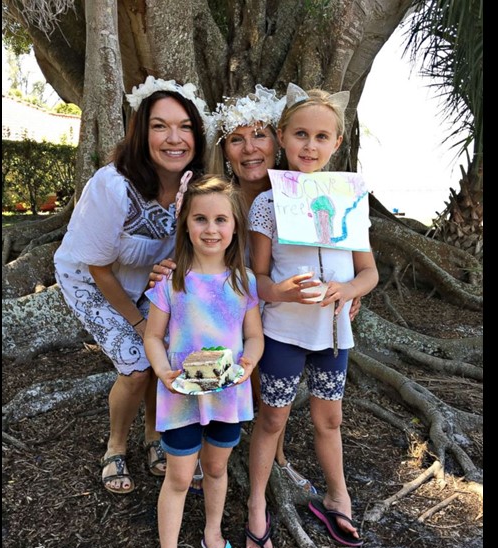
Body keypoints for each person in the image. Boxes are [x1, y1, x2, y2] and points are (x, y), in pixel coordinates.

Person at [151, 85, 360, 495]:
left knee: (271, 389)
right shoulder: (213, 199)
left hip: (282, 313)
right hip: (225, 310)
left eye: (258, 136)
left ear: (276, 140)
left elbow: (338, 250)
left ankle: (272, 458)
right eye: (236, 139)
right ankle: (175, 444)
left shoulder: (304, 196)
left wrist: (352, 288)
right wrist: (166, 271)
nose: (249, 148)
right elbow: (188, 256)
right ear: (224, 149)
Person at [242, 83, 379, 548]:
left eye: (322, 137)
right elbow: (258, 279)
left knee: (330, 419)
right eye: (300, 134)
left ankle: (338, 496)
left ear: (337, 143)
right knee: (272, 419)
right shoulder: (268, 204)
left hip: (334, 335)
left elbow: (369, 271)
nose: (310, 145)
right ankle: (256, 502)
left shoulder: (350, 201)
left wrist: (350, 290)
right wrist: (281, 292)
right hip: (284, 333)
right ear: (282, 136)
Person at [53, 76, 208, 494]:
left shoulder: (194, 185)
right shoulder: (113, 184)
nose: (174, 138)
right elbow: (99, 268)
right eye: (160, 126)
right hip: (91, 280)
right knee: (138, 366)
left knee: (166, 355)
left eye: (185, 127)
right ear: (141, 132)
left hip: (148, 281)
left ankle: (153, 436)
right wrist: (140, 325)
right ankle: (115, 447)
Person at [143, 173, 264, 548]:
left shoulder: (244, 281)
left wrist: (249, 363)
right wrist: (162, 370)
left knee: (216, 468)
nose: (211, 229)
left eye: (220, 219)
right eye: (200, 219)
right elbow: (153, 336)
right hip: (180, 395)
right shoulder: (172, 282)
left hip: (227, 396)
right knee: (179, 477)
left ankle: (213, 533)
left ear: (235, 226)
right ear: (186, 224)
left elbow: (254, 336)